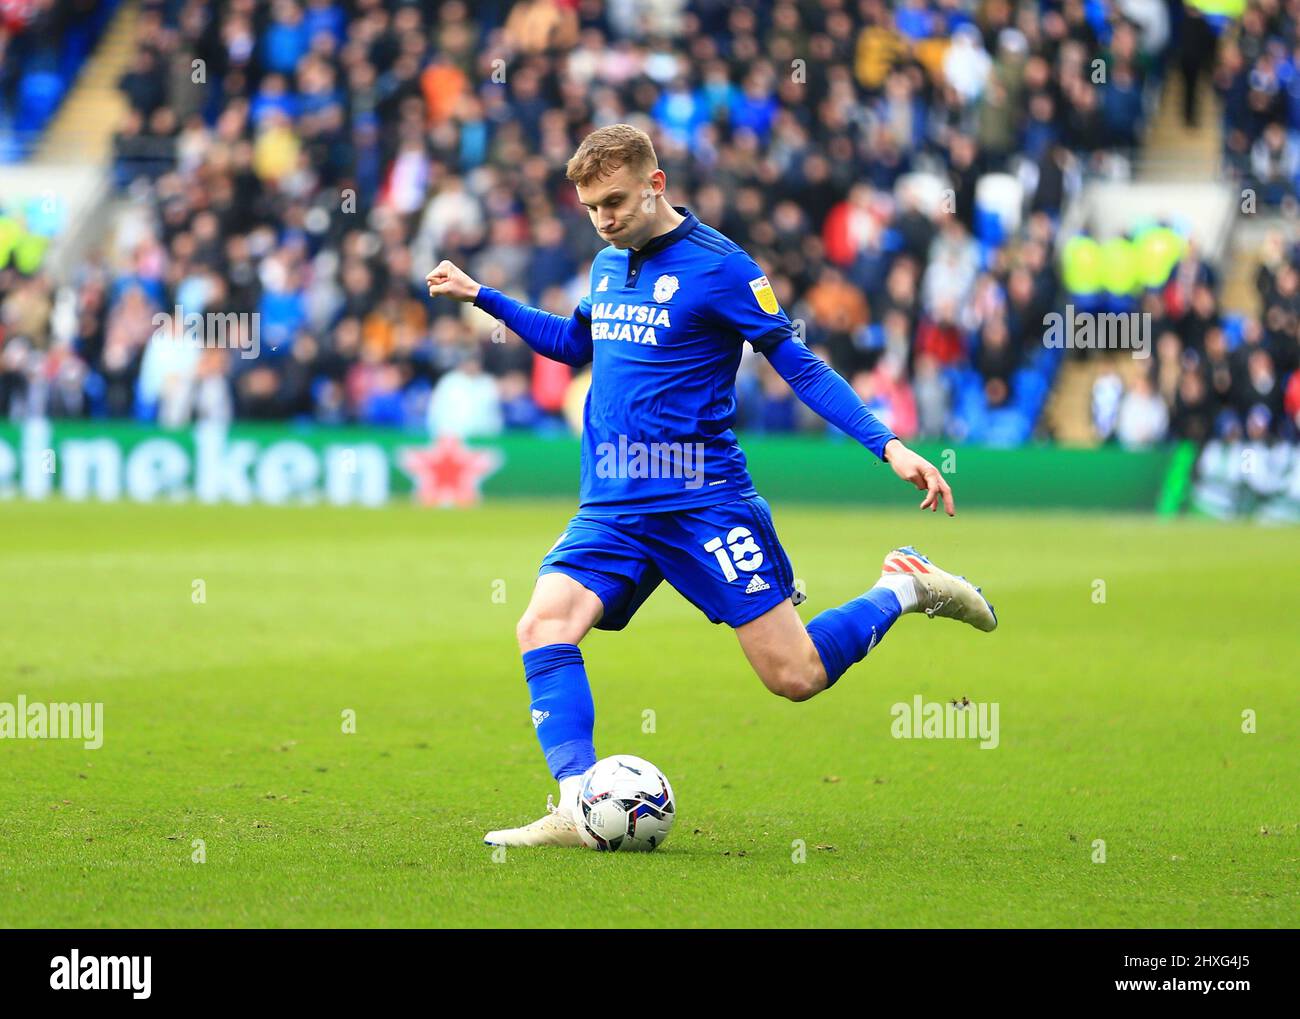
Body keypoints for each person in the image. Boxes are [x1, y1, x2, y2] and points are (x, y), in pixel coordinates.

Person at [426, 125, 997, 847]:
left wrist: (888, 445)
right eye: (590, 207)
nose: (603, 219)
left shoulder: (721, 266)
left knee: (795, 674)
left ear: (655, 185)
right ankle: (576, 801)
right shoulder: (606, 265)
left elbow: (799, 365)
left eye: (615, 201)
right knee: (541, 625)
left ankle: (906, 587)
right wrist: (484, 297)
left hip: (702, 500)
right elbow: (574, 344)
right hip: (614, 503)